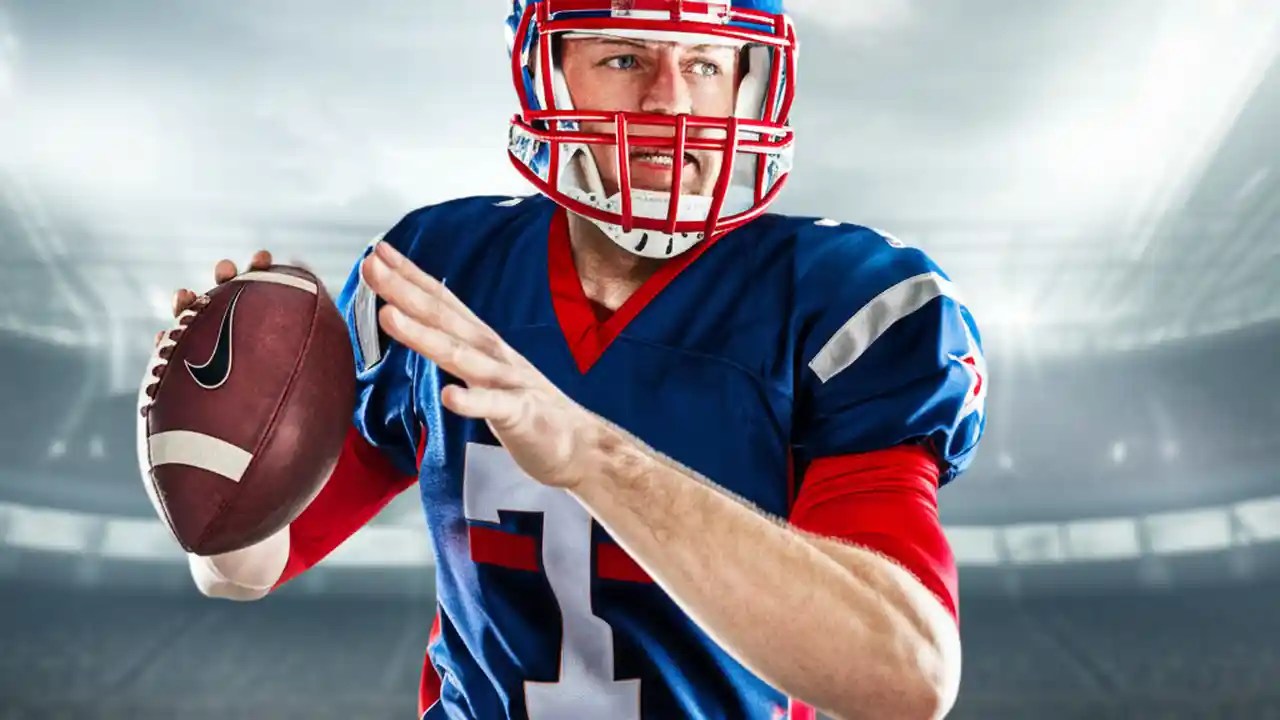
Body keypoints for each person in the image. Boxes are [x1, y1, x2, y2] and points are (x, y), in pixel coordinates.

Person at [160, 1, 986, 718]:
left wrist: (589, 454)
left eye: (706, 62)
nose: (671, 101)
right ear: (543, 73)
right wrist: (210, 429)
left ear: (752, 78)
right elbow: (243, 567)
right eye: (624, 58)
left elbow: (905, 678)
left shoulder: (836, 297)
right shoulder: (438, 265)